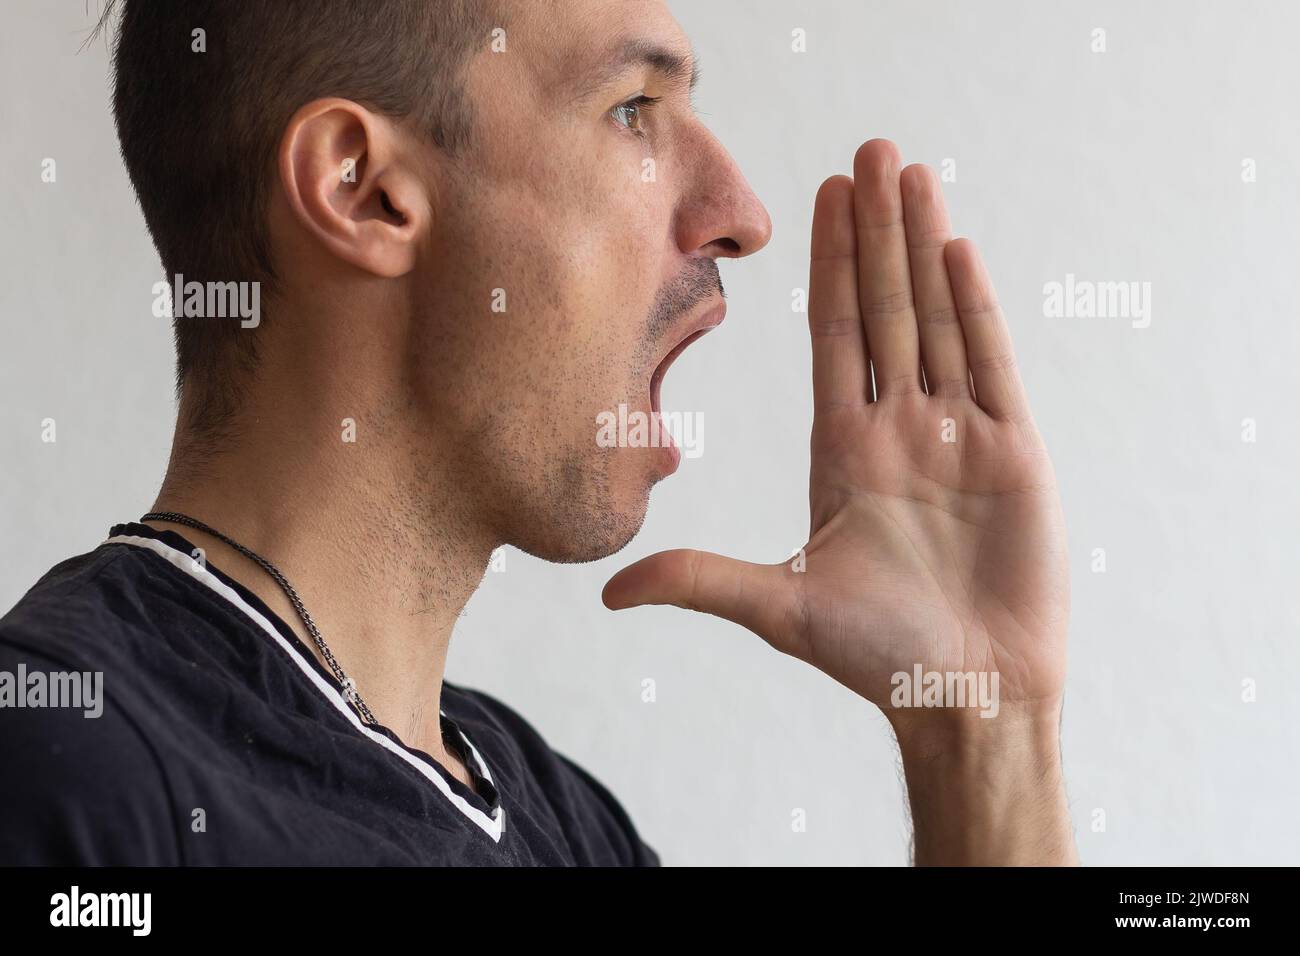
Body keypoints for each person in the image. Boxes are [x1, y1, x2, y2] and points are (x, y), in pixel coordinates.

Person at [0, 0, 1076, 865]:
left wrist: (979, 736)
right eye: (631, 107)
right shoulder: (63, 764)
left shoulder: (566, 822)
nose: (741, 212)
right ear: (364, 191)